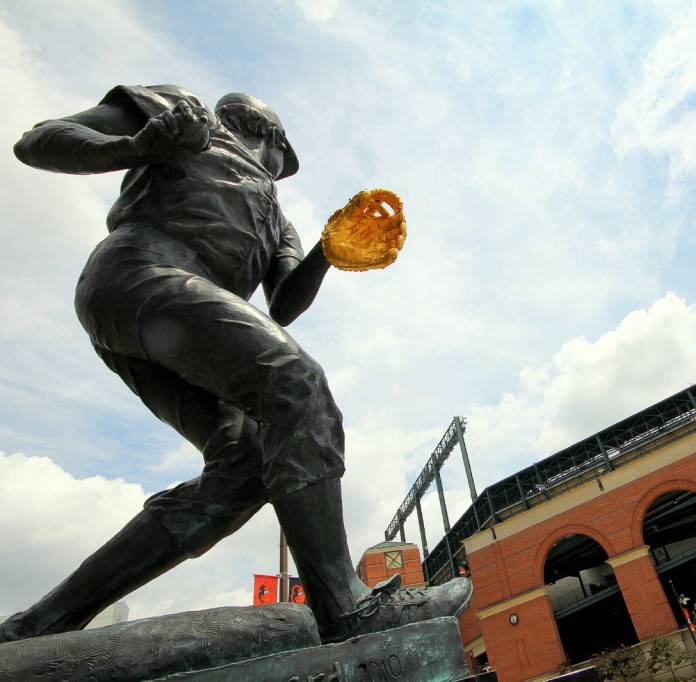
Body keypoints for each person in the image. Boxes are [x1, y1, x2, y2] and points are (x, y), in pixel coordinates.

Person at [3, 84, 470, 644]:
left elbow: (284, 304)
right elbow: (39, 141)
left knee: (245, 468)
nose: (279, 171)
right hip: (139, 275)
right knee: (297, 385)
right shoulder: (184, 115)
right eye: (283, 158)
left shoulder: (277, 218)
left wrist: (326, 251)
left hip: (173, 321)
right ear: (272, 139)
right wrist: (141, 144)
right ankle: (344, 606)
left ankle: (41, 624)